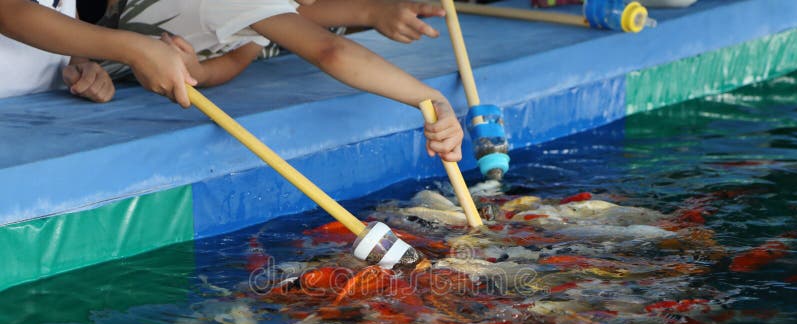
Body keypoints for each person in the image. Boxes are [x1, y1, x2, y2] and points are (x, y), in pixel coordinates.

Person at [100, 0, 463, 161]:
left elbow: (239, 57)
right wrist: (430, 99)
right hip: (81, 70)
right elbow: (330, 51)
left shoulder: (262, 11)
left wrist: (200, 72)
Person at [0, 0, 195, 105]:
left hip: (38, 111)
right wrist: (136, 50)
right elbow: (8, 11)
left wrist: (79, 61)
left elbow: (60, 7)